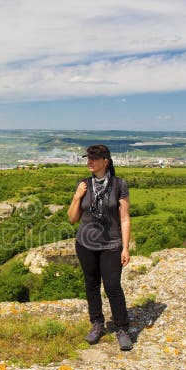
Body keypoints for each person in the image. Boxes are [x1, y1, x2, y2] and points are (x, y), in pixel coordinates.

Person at [67, 144, 133, 351]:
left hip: (111, 244)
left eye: (94, 158)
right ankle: (97, 323)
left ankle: (122, 328)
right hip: (85, 244)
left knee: (112, 286)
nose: (89, 162)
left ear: (106, 161)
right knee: (91, 284)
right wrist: (77, 196)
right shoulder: (84, 184)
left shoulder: (119, 185)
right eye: (88, 158)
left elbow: (124, 218)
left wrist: (125, 247)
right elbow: (72, 218)